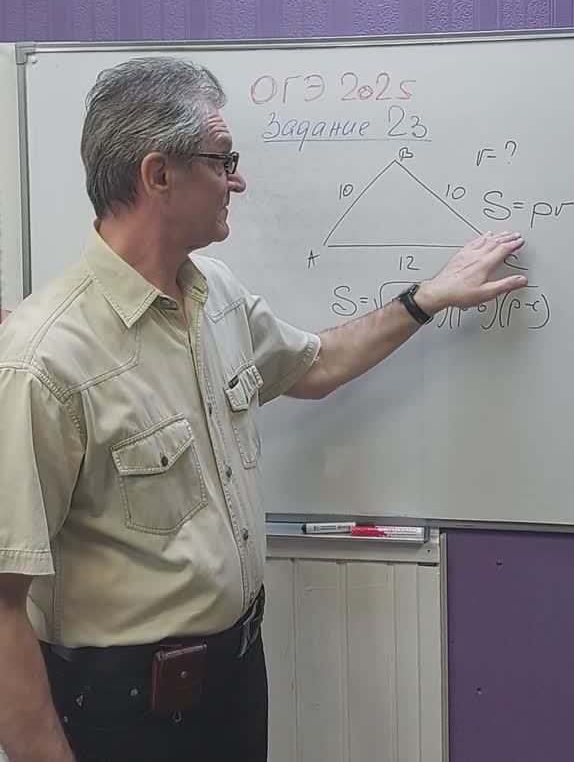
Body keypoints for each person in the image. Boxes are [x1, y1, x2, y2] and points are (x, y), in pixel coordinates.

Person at [0, 57, 526, 762]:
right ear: (158, 174)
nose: (237, 180)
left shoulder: (214, 294)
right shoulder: (44, 359)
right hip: (123, 713)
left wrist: (424, 299)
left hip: (236, 678)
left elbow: (315, 366)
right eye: (222, 160)